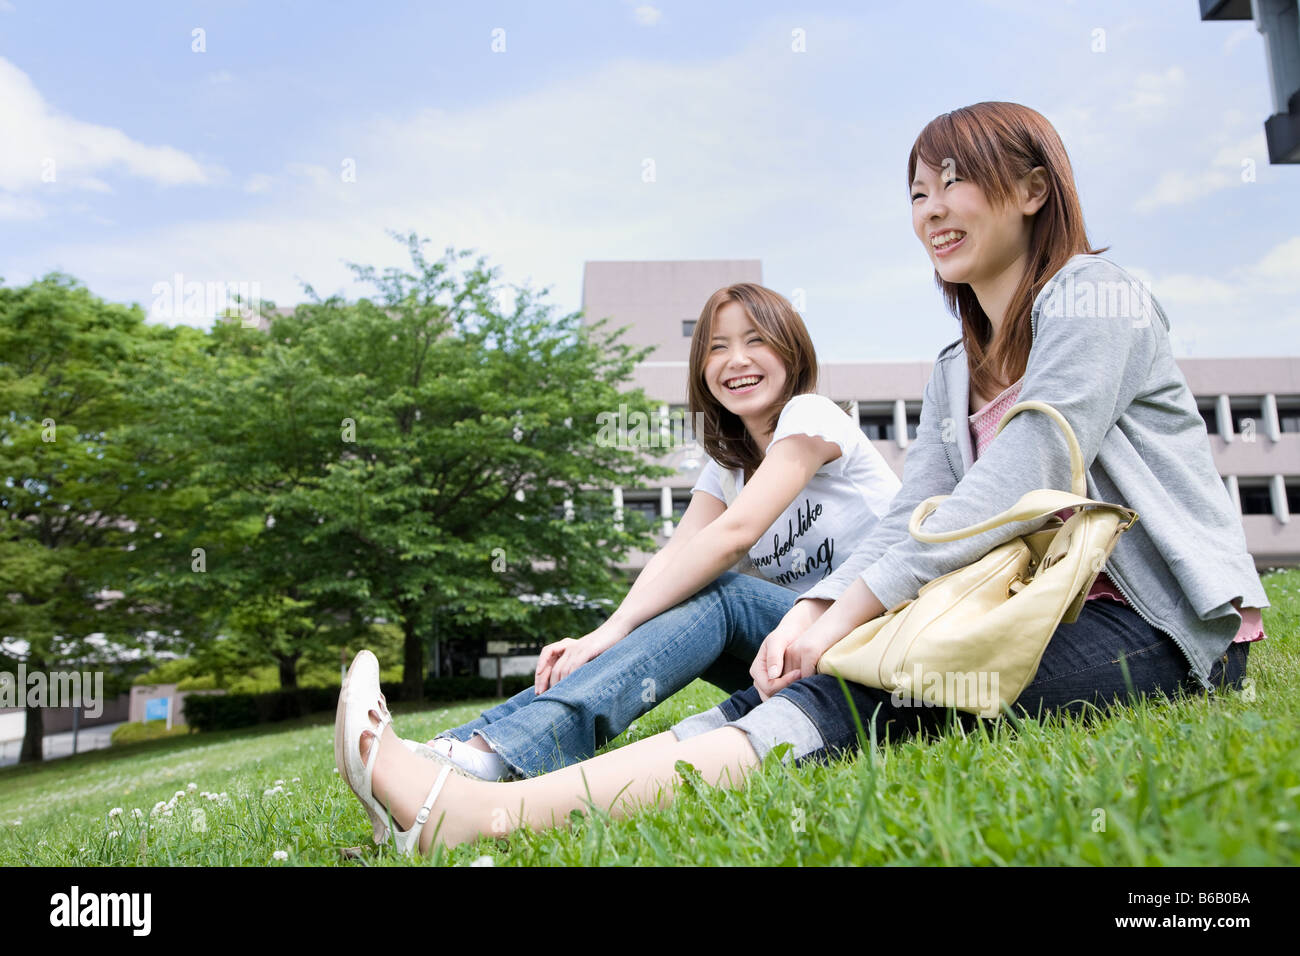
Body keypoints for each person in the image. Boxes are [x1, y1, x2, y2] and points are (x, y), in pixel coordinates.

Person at [335, 101, 1267, 855]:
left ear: (1031, 189)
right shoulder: (952, 369)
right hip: (998, 604)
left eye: (956, 183)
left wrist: (840, 610)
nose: (932, 209)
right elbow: (917, 511)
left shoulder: (1096, 300)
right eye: (916, 193)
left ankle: (485, 814)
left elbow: (1027, 471)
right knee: (788, 691)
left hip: (1149, 622)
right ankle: (488, 790)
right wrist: (819, 615)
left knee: (864, 689)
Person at [406, 281, 902, 780]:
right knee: (664, 599)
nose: (736, 360)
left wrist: (613, 630)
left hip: (876, 633)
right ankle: (453, 747)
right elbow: (674, 556)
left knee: (720, 594)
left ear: (791, 351)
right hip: (796, 652)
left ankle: (506, 754)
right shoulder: (726, 467)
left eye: (756, 340)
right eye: (717, 347)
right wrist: (600, 635)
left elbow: (735, 534)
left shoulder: (812, 416)